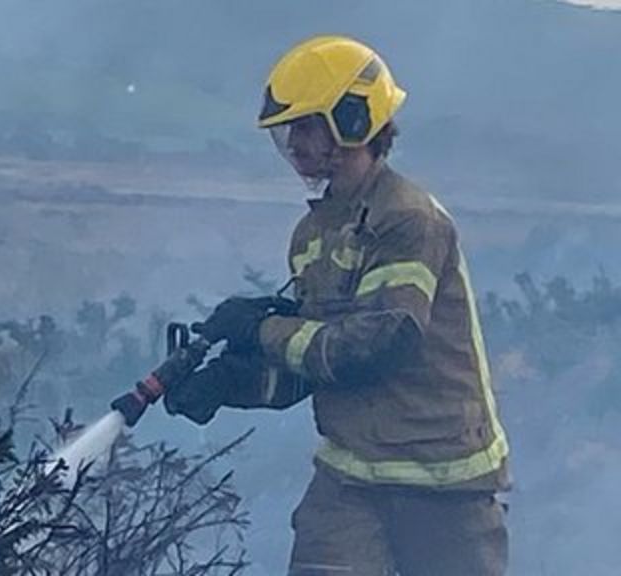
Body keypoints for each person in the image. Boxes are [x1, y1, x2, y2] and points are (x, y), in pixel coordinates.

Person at [162, 35, 510, 575]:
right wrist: (229, 384)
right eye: (288, 130)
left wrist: (263, 331)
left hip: (442, 482)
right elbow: (318, 368)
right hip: (349, 483)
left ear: (354, 119)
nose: (294, 143)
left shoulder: (409, 220)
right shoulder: (313, 233)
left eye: (306, 125)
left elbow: (379, 345)